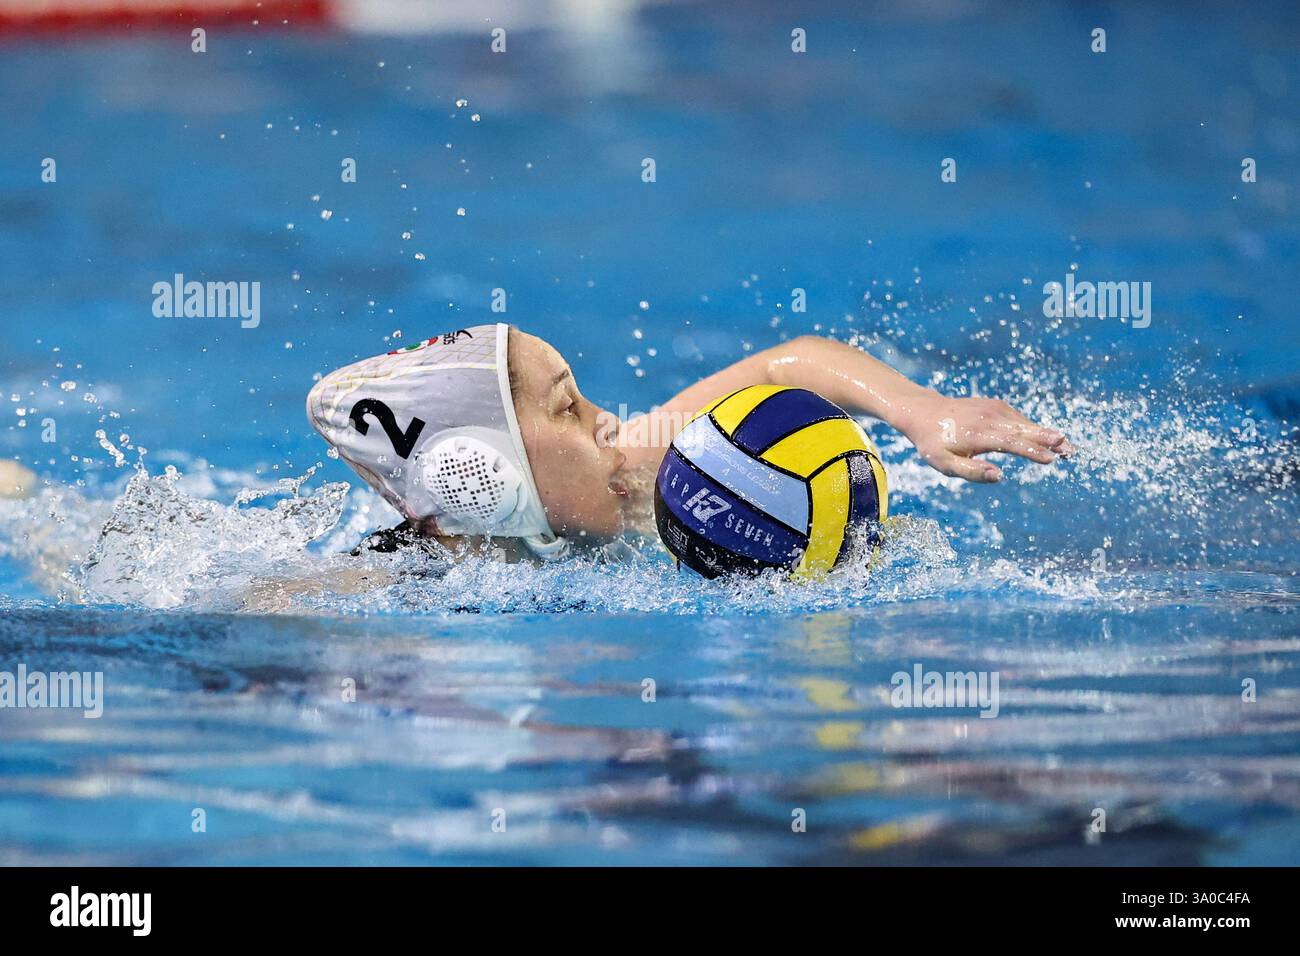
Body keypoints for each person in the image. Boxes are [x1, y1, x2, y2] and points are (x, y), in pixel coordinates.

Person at [307, 323, 1073, 561]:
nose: (607, 419)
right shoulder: (409, 589)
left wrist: (919, 409)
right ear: (482, 480)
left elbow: (786, 365)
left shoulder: (641, 468)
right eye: (568, 409)